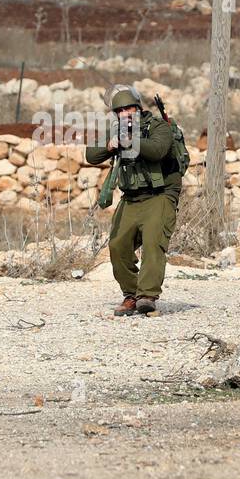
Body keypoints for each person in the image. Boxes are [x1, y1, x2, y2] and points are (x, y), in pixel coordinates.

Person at [83, 85, 181, 316]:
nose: (126, 113)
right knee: (118, 245)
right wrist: (111, 144)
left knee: (153, 243)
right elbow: (90, 155)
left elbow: (158, 150)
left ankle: (147, 296)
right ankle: (131, 294)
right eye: (121, 110)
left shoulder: (158, 126)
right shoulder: (116, 129)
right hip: (131, 197)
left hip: (160, 194)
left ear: (138, 108)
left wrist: (131, 142)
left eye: (130, 108)